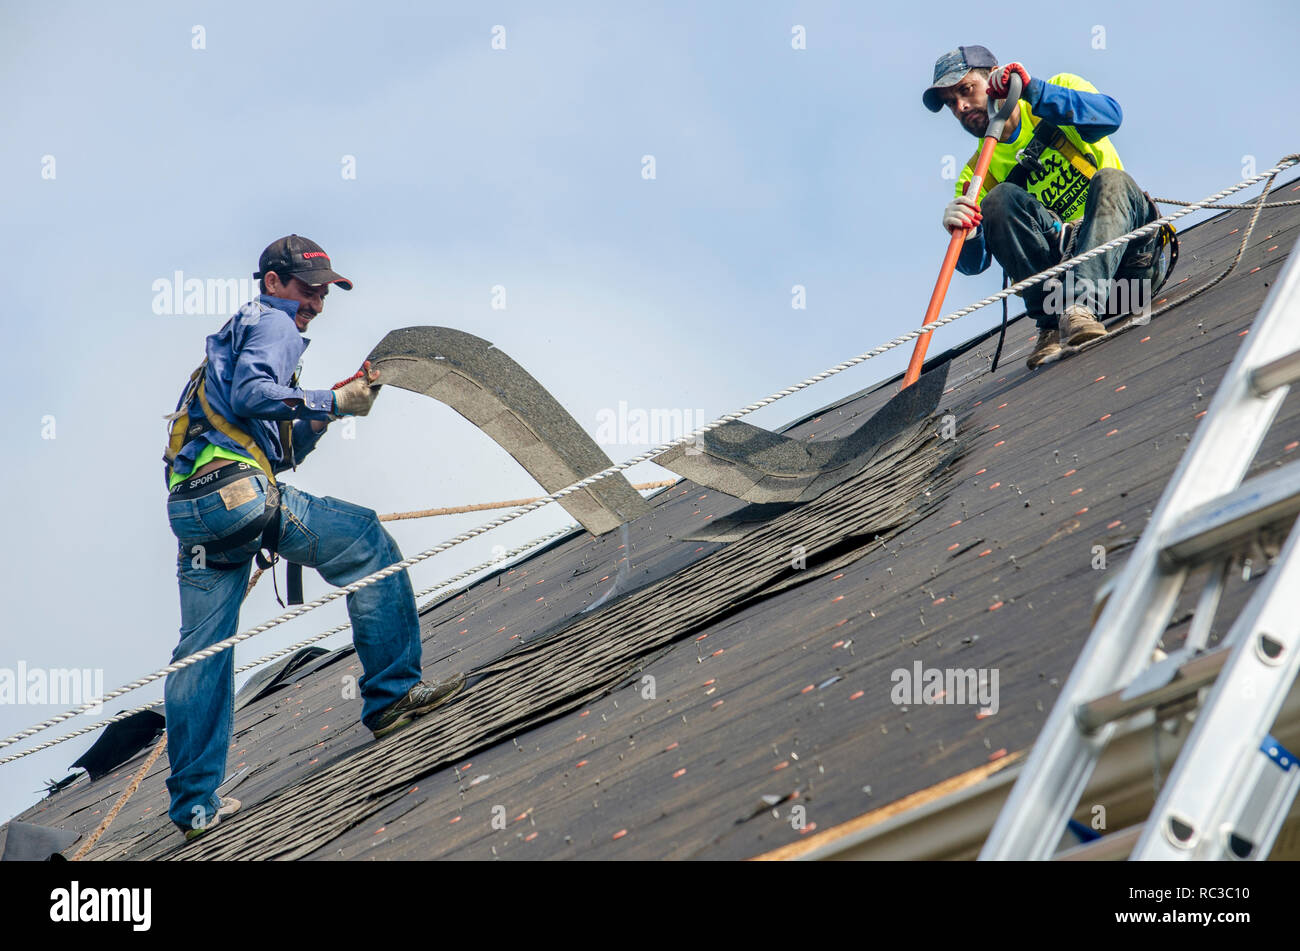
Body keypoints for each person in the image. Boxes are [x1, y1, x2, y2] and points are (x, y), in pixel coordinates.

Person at [161, 234, 464, 841]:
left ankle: (196, 807)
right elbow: (254, 396)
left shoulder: (231, 343)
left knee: (202, 652)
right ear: (273, 282)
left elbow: (277, 441)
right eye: (307, 289)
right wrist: (330, 395)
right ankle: (392, 697)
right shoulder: (270, 324)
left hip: (195, 512)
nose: (316, 304)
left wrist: (335, 409)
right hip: (239, 496)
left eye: (324, 293)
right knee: (366, 542)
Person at [924, 46, 1173, 368]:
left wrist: (1033, 92)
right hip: (1064, 303)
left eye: (965, 90)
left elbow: (1110, 117)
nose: (959, 106)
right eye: (949, 102)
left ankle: (1080, 307)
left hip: (1131, 281)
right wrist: (966, 234)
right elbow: (975, 265)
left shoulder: (1054, 94)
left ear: (997, 78)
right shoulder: (976, 176)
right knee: (998, 199)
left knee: (1111, 180)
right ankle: (1053, 324)